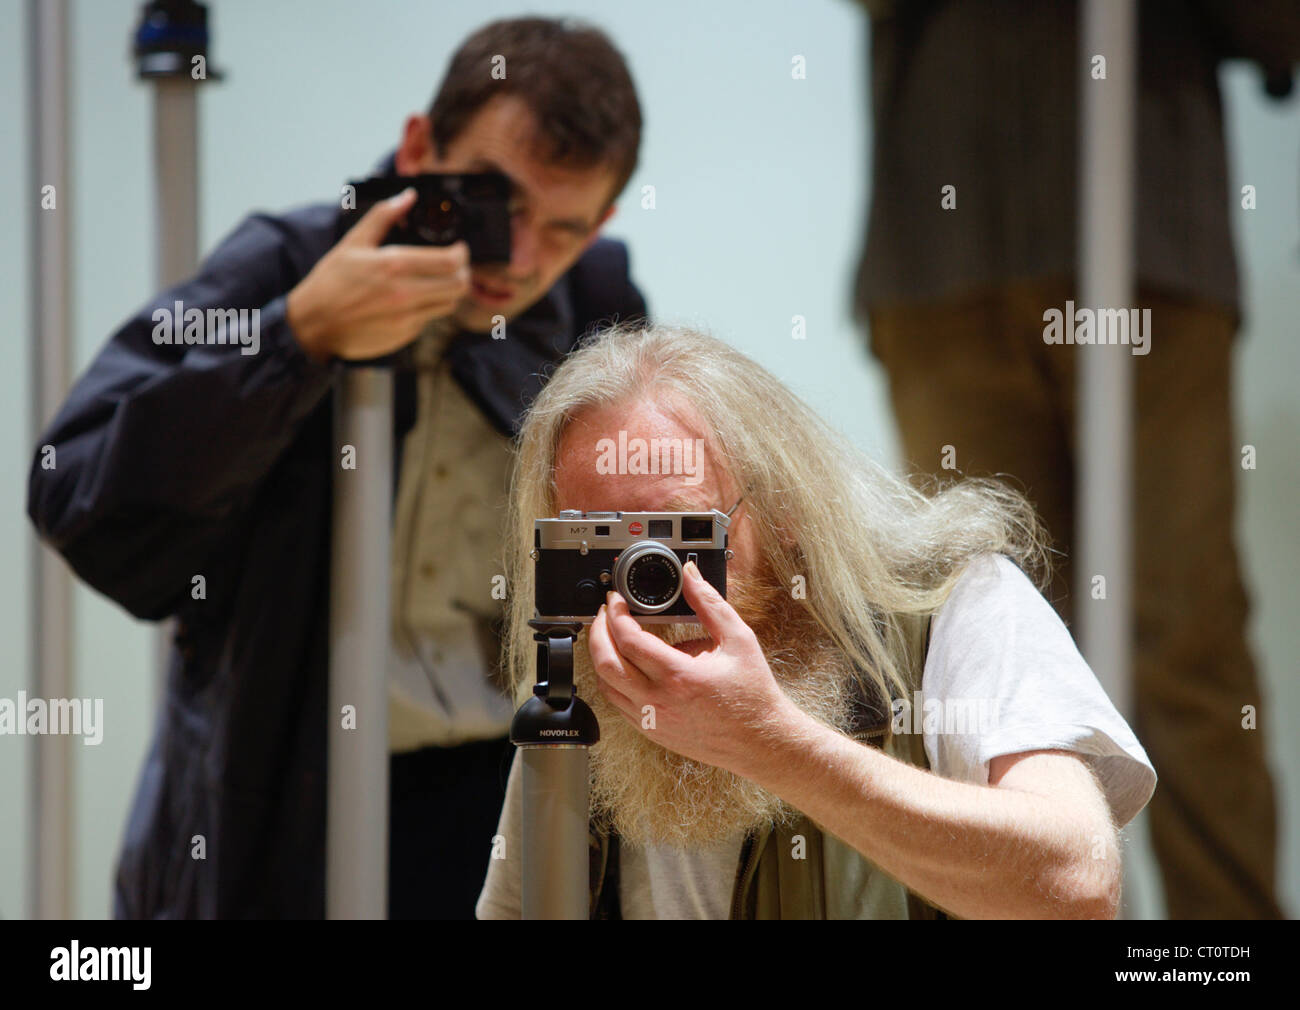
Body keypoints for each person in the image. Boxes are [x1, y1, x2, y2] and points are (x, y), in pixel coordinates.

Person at [27, 16, 646, 919]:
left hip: (511, 786)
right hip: (286, 798)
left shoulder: (592, 301)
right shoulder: (289, 260)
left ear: (603, 225)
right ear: (417, 146)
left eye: (562, 228)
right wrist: (298, 335)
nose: (518, 259)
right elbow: (74, 487)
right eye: (496, 203)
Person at [854, 0, 1297, 919]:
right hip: (944, 255)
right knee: (972, 645)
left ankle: (1221, 954)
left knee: (1181, 635)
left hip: (1152, 252)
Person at [475, 323, 1156, 919]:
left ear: (784, 510)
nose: (641, 585)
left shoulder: (952, 606)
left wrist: (773, 744)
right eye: (598, 542)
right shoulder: (583, 672)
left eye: (676, 535)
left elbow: (1076, 886)